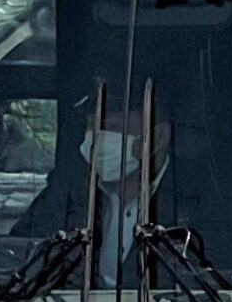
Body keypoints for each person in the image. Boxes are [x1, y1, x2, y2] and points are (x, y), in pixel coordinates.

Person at [12, 94, 174, 283]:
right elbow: (14, 257)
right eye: (91, 128)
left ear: (158, 137)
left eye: (112, 128)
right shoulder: (64, 195)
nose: (96, 142)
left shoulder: (199, 204)